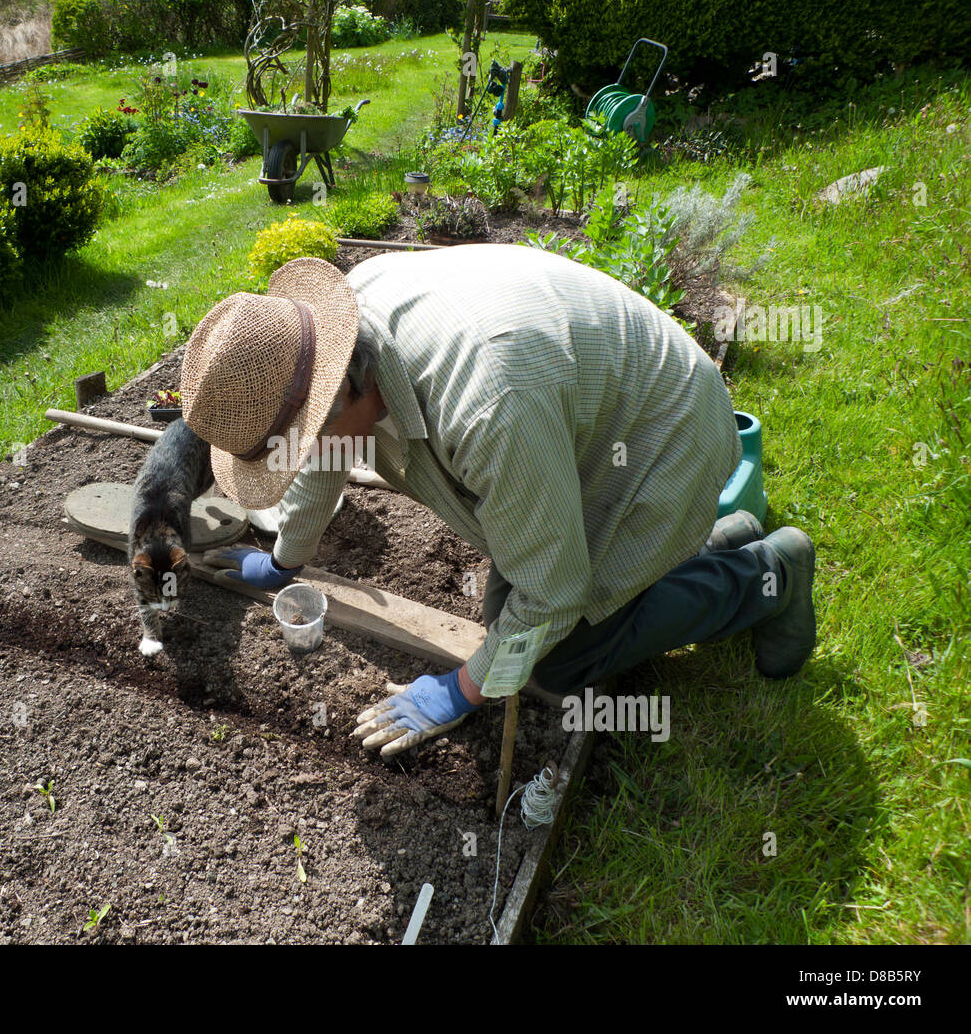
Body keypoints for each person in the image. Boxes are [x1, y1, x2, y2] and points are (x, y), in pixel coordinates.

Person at [178, 246, 816, 758]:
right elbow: (325, 457)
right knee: (512, 616)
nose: (295, 465)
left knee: (559, 658)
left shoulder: (484, 408)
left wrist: (460, 689)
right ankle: (716, 543)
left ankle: (768, 576)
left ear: (338, 394)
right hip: (578, 426)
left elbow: (554, 593)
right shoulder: (343, 343)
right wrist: (286, 561)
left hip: (658, 440)